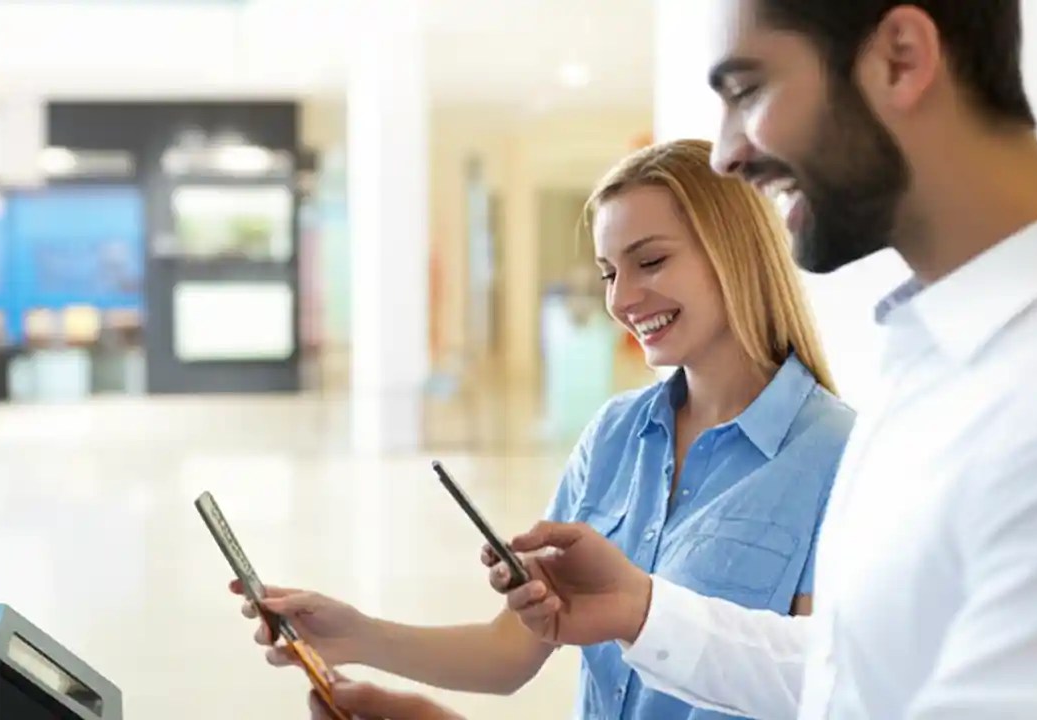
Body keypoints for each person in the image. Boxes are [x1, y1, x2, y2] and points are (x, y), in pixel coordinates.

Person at [491, 1, 1037, 719]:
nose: (728, 153)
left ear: (901, 59)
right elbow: (849, 673)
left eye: (748, 90)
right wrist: (640, 611)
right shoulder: (930, 358)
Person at [240, 139, 855, 719]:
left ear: (737, 253)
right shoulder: (617, 433)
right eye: (610, 272)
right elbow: (511, 652)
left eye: (651, 261)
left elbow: (824, 689)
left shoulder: (838, 457)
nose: (622, 299)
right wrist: (356, 635)